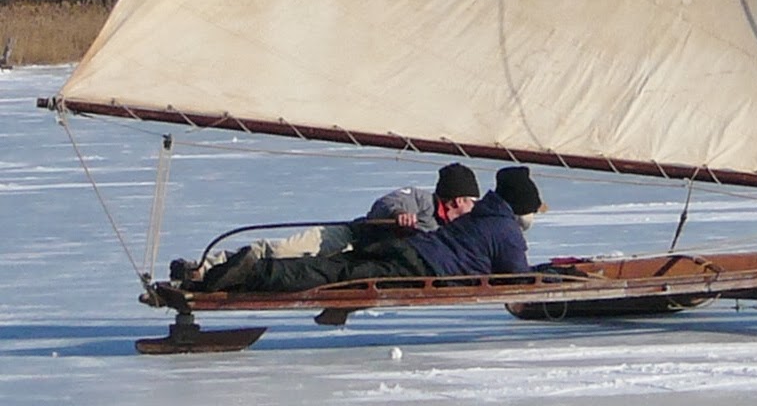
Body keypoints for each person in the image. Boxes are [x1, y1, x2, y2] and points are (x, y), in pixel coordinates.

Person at [194, 166, 544, 293]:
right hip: (411, 262)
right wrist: (551, 277)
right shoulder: (504, 229)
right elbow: (517, 278)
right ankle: (252, 272)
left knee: (333, 268)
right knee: (330, 275)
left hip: (403, 250)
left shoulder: (481, 214)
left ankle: (237, 268)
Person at [171, 163, 480, 282]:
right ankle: (204, 267)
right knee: (283, 251)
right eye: (471, 201)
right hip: (349, 237)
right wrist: (400, 215)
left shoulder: (455, 229)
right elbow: (387, 203)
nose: (473, 208)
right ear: (456, 200)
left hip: (370, 258)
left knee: (298, 270)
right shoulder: (423, 200)